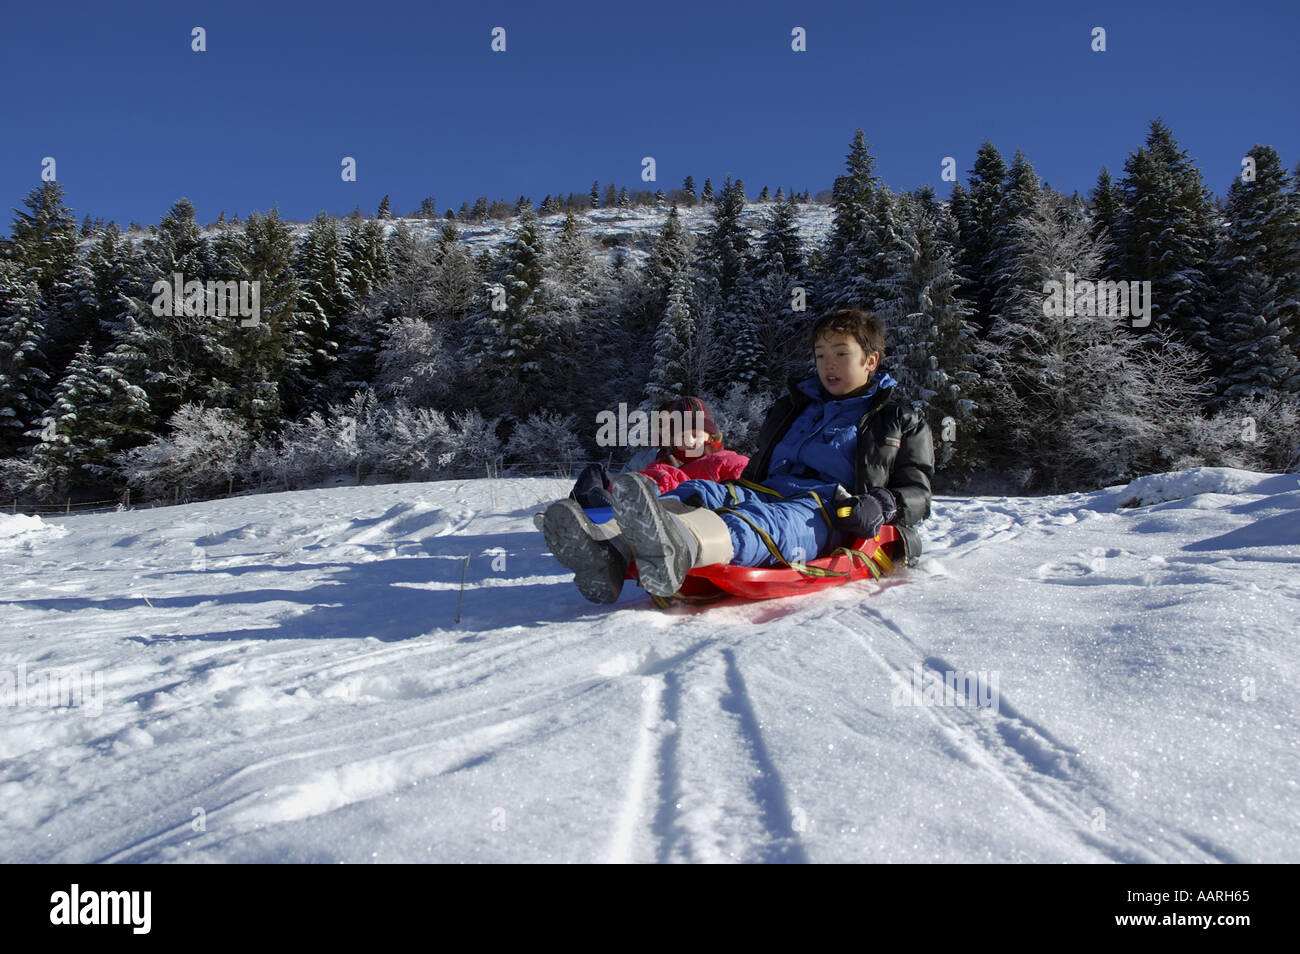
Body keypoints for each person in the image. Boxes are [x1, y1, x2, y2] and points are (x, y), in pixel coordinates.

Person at [545, 307, 934, 603]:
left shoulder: (897, 419)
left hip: (826, 507)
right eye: (819, 355)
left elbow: (918, 490)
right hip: (762, 487)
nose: (827, 365)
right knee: (700, 492)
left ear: (871, 360)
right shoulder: (795, 406)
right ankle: (609, 548)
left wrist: (882, 504)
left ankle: (681, 546)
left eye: (840, 354)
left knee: (761, 520)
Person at [542, 396, 749, 603]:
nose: (689, 441)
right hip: (651, 519)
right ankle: (604, 555)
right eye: (682, 434)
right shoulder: (662, 465)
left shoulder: (723, 461)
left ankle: (611, 542)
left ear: (711, 437)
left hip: (699, 521)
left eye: (696, 434)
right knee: (632, 509)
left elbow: (747, 481)